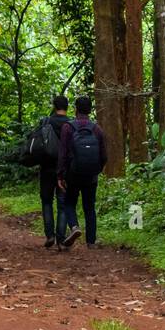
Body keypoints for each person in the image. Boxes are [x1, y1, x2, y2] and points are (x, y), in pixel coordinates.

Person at [57, 95, 107, 249]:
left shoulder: (68, 127)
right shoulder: (97, 129)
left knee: (69, 202)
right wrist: (97, 170)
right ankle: (91, 242)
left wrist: (60, 174)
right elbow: (104, 155)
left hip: (73, 174)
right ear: (90, 110)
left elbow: (63, 153)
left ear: (76, 109)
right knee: (89, 207)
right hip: (91, 175)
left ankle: (74, 227)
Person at [38, 94, 69, 248]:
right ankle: (61, 239)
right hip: (64, 170)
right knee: (63, 204)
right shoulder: (71, 124)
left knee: (47, 201)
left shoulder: (46, 122)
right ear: (67, 107)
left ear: (54, 107)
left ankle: (49, 235)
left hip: (46, 167)